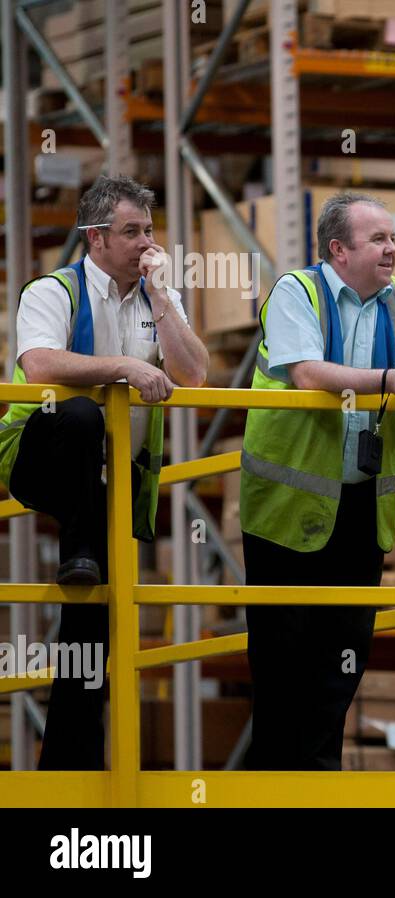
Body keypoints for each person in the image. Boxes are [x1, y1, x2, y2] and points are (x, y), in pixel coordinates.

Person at [0, 174, 209, 770]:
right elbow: (39, 362)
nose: (147, 243)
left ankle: (71, 771)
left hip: (110, 486)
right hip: (41, 458)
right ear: (95, 238)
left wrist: (164, 298)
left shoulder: (155, 296)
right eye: (132, 232)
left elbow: (194, 374)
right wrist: (123, 366)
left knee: (94, 631)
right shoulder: (52, 290)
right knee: (85, 411)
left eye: (150, 230)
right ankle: (80, 549)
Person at [240, 192, 395, 770]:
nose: (392, 250)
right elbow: (307, 373)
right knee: (281, 664)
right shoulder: (295, 292)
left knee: (343, 660)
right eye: (378, 239)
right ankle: (273, 788)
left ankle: (319, 782)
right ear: (338, 249)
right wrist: (389, 380)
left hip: (358, 507)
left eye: (394, 238)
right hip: (287, 506)